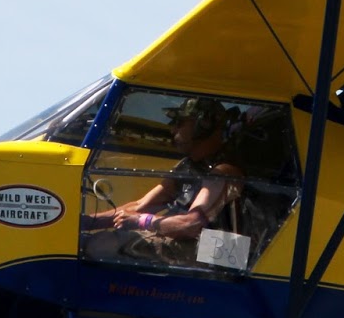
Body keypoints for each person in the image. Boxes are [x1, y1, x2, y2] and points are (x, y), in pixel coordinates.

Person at [81, 97, 242, 264]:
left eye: (179, 123)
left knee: (102, 245)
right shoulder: (189, 165)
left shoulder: (224, 170)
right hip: (191, 242)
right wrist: (85, 221)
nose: (173, 131)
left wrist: (142, 220)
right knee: (82, 241)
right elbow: (140, 206)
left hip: (225, 251)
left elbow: (191, 224)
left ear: (202, 126)